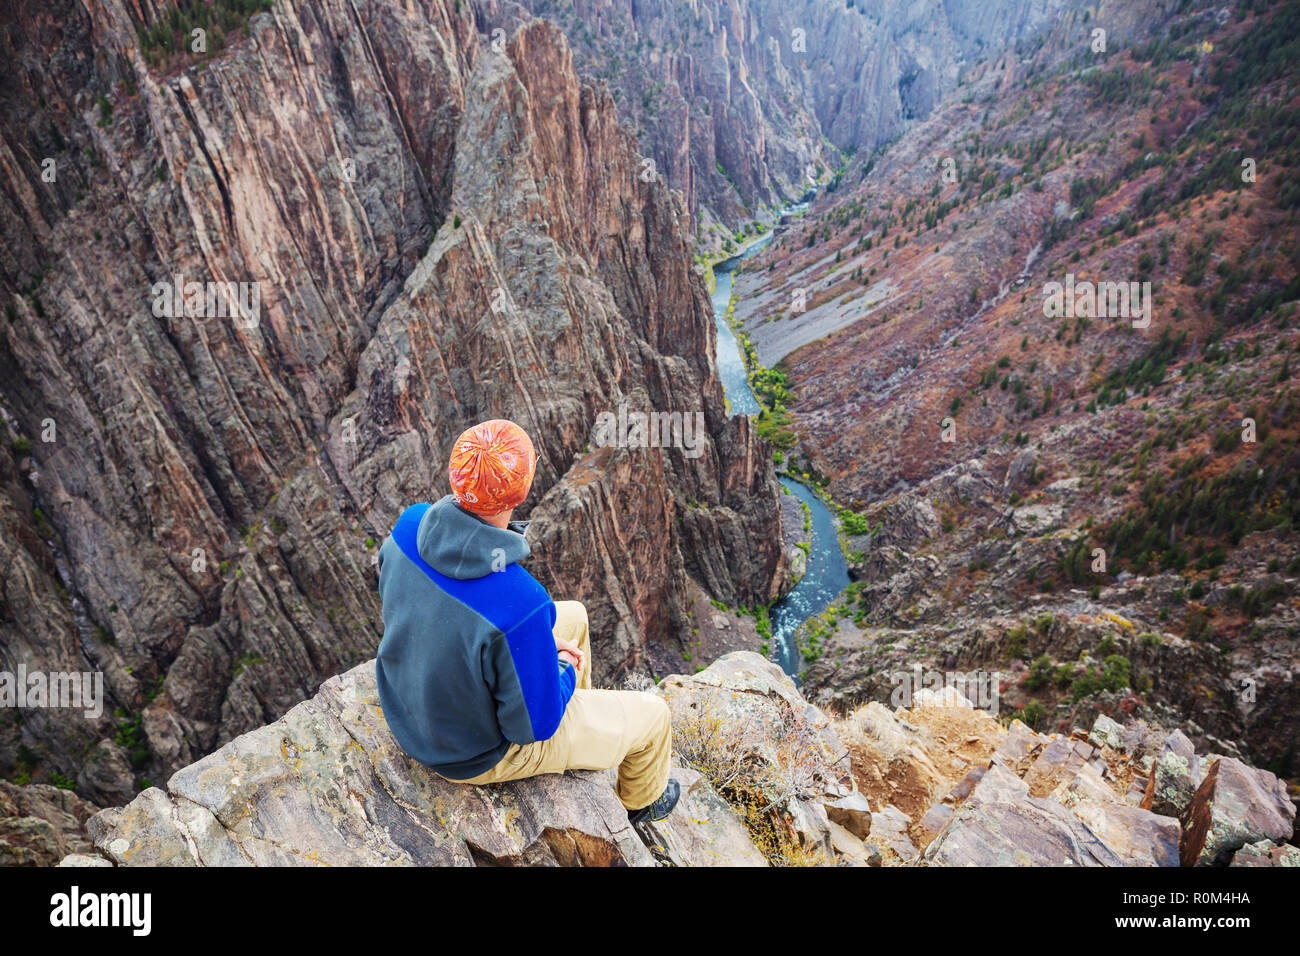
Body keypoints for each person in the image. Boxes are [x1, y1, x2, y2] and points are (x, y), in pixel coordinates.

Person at [375, 418, 680, 825]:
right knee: (655, 716)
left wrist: (532, 655)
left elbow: (433, 609)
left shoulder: (408, 525)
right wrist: (563, 671)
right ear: (516, 495)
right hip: (471, 753)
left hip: (409, 704)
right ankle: (640, 803)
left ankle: (580, 722)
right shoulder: (521, 602)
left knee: (573, 617)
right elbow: (533, 727)